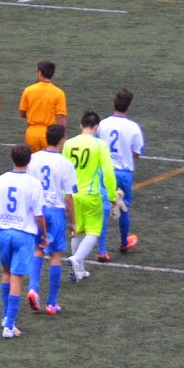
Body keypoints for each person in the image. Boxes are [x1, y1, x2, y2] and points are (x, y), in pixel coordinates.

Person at [0, 144, 48, 340]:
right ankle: (9, 326)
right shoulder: (33, 183)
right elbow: (39, 215)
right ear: (29, 161)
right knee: (17, 279)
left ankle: (6, 317)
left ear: (12, 159)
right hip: (23, 235)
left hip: (4, 232)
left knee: (6, 273)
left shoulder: (0, 180)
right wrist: (44, 235)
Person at [62, 111, 120, 283]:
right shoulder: (100, 145)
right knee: (94, 231)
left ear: (81, 126)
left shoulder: (68, 143)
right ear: (96, 127)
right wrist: (111, 195)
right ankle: (76, 260)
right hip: (91, 194)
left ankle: (78, 270)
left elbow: (64, 170)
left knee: (77, 230)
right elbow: (108, 172)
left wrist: (64, 195)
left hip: (72, 194)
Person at [26, 124, 77, 317]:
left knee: (38, 249)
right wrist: (73, 221)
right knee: (55, 255)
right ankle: (51, 303)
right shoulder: (65, 163)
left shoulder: (33, 158)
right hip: (55, 212)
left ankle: (32, 289)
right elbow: (69, 197)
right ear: (62, 140)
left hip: (37, 211)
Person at [97, 89, 145, 259]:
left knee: (103, 208)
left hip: (105, 171)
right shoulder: (133, 127)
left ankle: (102, 250)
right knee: (124, 208)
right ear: (129, 107)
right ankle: (124, 243)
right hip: (123, 173)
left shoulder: (102, 124)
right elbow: (137, 152)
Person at [19, 60, 67, 151]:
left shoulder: (28, 90)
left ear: (40, 73)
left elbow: (22, 113)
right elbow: (61, 117)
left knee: (32, 162)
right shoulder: (59, 93)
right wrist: (63, 136)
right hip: (49, 134)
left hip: (32, 133)